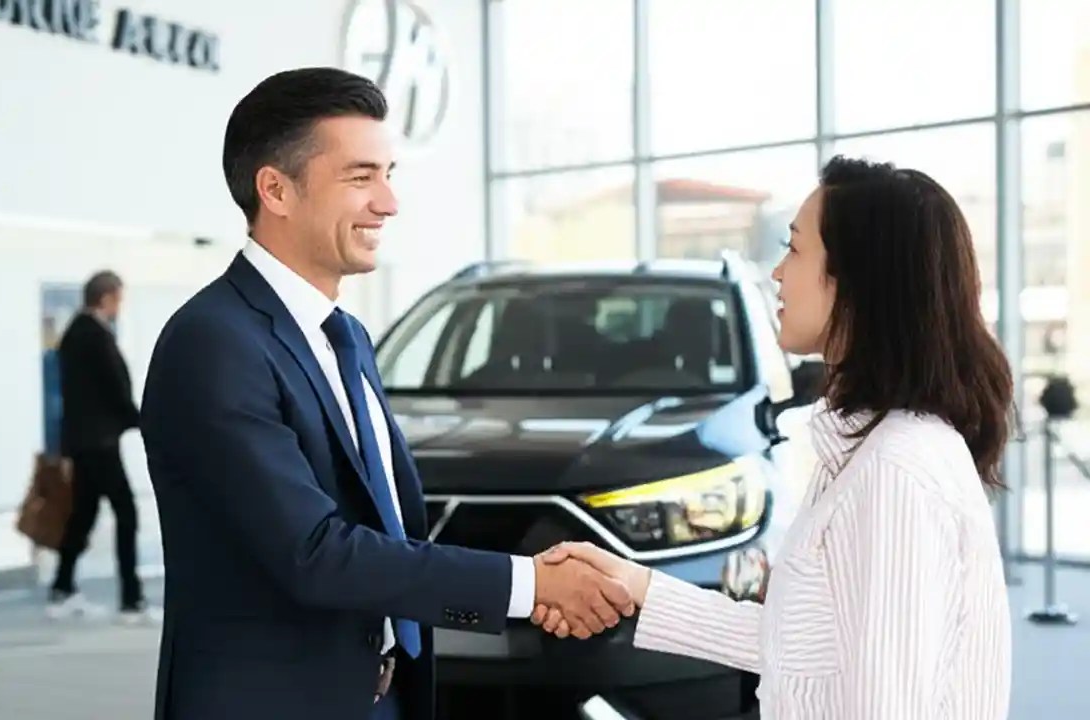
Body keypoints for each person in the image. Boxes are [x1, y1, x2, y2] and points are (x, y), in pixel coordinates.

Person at [138, 67, 634, 720]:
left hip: (381, 694)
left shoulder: (346, 338)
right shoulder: (214, 343)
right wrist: (531, 585)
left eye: (389, 174)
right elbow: (313, 552)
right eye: (361, 176)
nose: (389, 202)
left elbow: (383, 525)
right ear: (276, 190)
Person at [533, 156, 1013, 719]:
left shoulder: (895, 468)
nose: (778, 272)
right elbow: (803, 650)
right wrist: (638, 584)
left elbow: (885, 707)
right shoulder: (871, 451)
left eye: (795, 248)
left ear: (858, 278)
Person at [47, 270, 158, 624]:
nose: (120, 305)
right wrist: (144, 421)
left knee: (84, 515)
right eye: (119, 298)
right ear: (107, 297)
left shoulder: (76, 333)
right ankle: (131, 599)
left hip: (85, 442)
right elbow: (112, 387)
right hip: (98, 443)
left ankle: (62, 588)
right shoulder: (92, 335)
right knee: (126, 512)